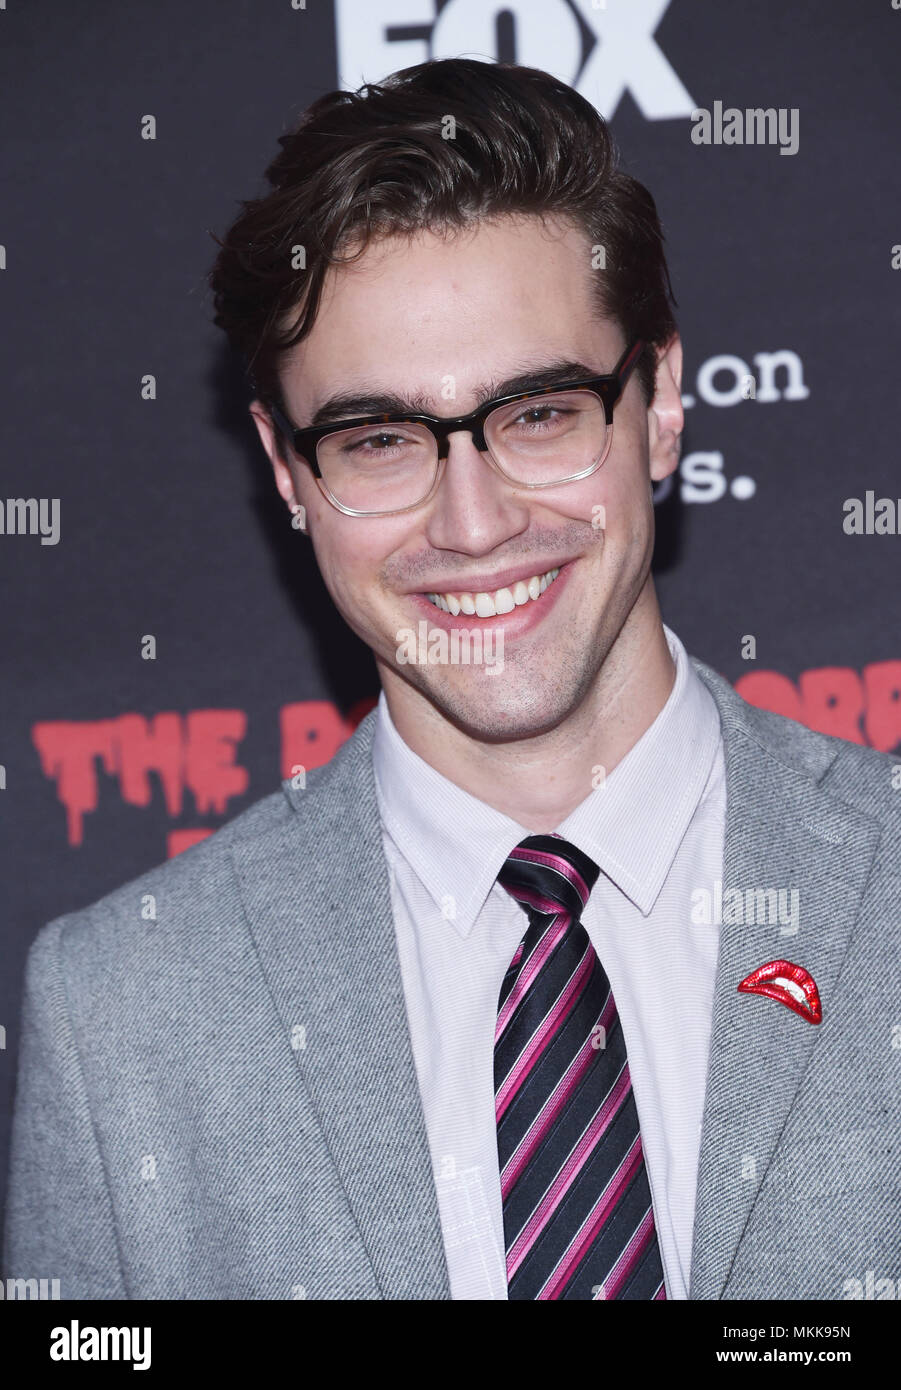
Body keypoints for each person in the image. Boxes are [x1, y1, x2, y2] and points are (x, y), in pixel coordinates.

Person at [4, 58, 898, 1302]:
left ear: (661, 403)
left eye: (537, 414)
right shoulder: (124, 1018)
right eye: (377, 440)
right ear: (284, 465)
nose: (472, 524)